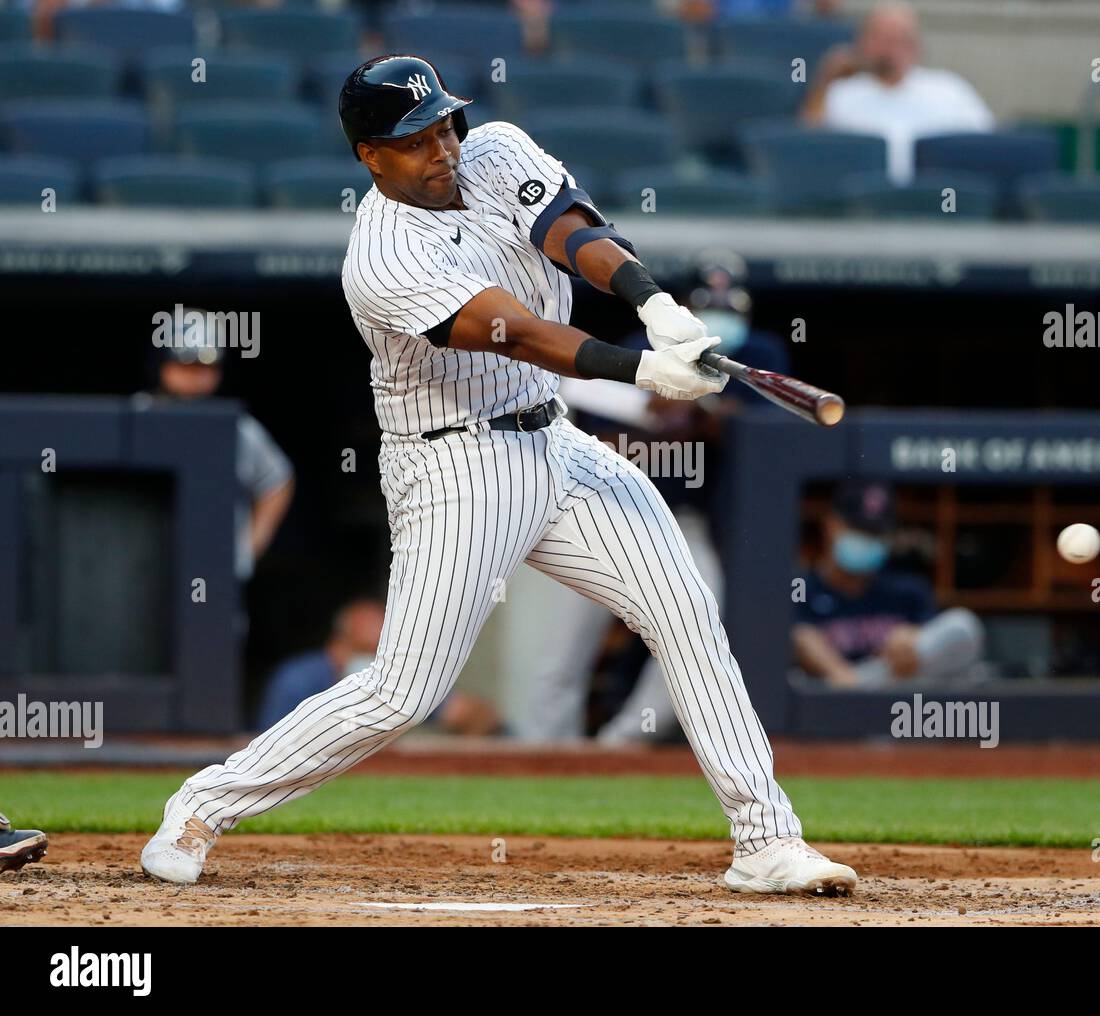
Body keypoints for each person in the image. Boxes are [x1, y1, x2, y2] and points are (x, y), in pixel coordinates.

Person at [140, 55, 857, 896]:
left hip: (556, 439)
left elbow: (571, 230)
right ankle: (203, 804)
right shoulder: (380, 258)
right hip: (455, 463)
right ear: (370, 156)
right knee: (403, 693)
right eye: (414, 140)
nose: (441, 148)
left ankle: (766, 839)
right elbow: (510, 329)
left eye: (444, 125)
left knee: (686, 608)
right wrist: (642, 372)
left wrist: (654, 303)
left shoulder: (493, 149)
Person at [524, 249, 791, 744]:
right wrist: (656, 417)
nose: (719, 316)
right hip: (609, 508)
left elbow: (747, 428)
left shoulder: (761, 354)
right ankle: (545, 747)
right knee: (565, 639)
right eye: (707, 305)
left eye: (729, 307)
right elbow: (593, 439)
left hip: (685, 519)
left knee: (698, 620)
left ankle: (621, 744)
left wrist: (697, 412)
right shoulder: (636, 347)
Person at [135, 315, 295, 585]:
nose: (198, 377)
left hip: (211, 572)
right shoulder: (137, 418)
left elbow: (278, 481)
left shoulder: (236, 429)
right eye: (187, 366)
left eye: (206, 367)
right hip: (140, 564)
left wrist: (245, 550)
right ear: (163, 364)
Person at [793, 480, 983, 689]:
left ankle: (858, 689)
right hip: (821, 705)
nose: (867, 539)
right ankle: (855, 689)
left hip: (896, 700)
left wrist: (913, 638)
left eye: (876, 533)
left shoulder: (909, 589)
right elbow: (800, 638)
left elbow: (939, 644)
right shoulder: (801, 586)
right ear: (831, 525)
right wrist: (837, 672)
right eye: (859, 529)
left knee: (963, 624)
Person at [801, 1, 994, 183]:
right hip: (863, 207)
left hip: (936, 201)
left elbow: (985, 146)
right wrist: (825, 79)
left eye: (899, 39)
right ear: (861, 42)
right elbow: (807, 150)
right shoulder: (841, 93)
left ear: (917, 46)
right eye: (879, 37)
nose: (888, 47)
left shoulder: (949, 89)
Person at [258, 598, 501, 735]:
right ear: (337, 645)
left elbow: (478, 714)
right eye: (365, 650)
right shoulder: (299, 679)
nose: (371, 660)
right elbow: (265, 743)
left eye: (379, 652)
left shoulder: (397, 678)